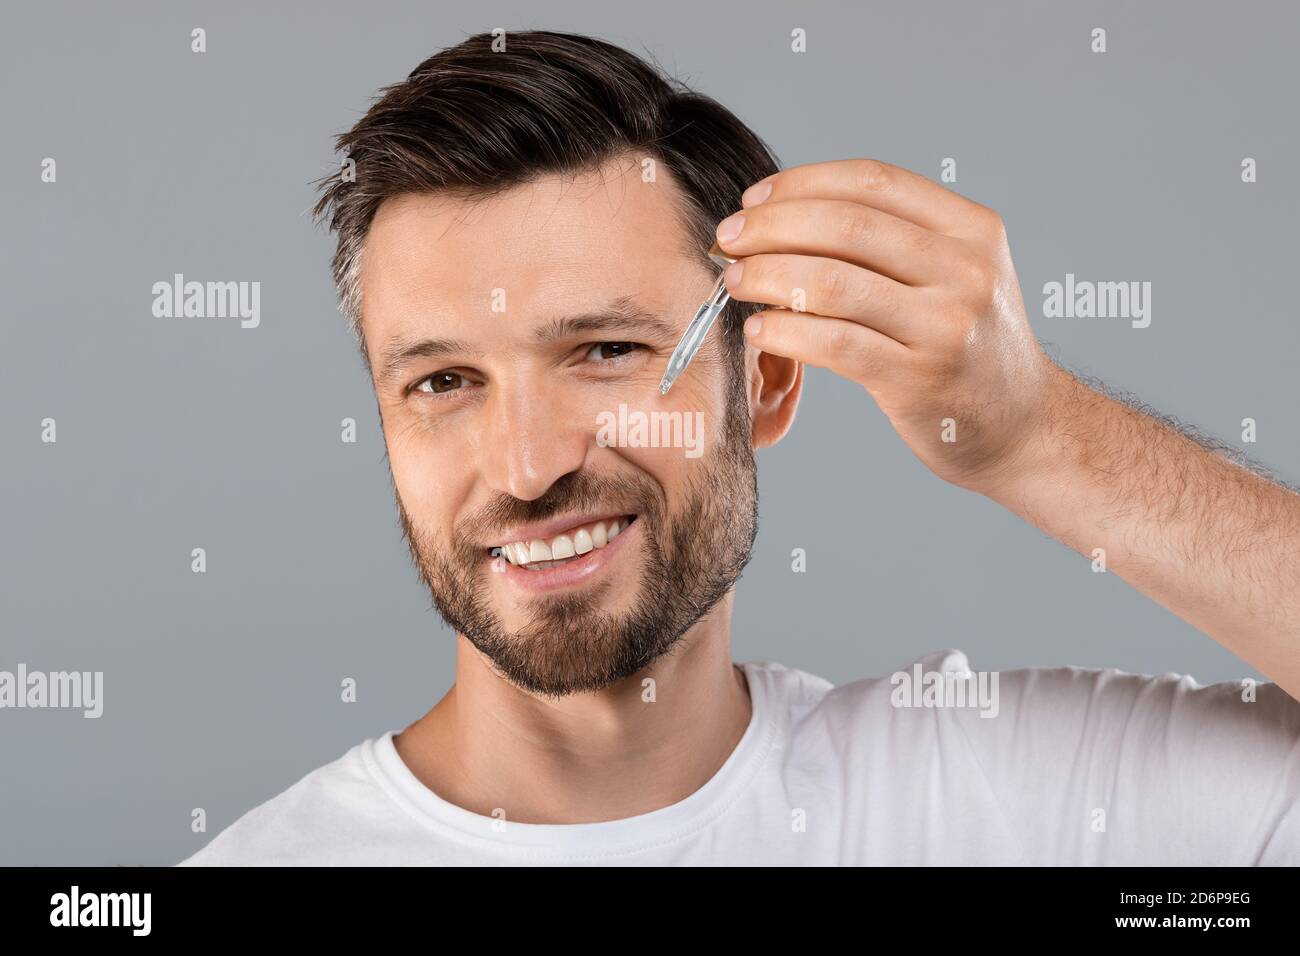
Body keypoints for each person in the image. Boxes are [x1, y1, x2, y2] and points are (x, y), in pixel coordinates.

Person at [180, 30, 1300, 865]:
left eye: (606, 350)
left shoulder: (1012, 803)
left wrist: (1034, 433)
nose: (526, 466)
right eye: (443, 382)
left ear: (761, 381)